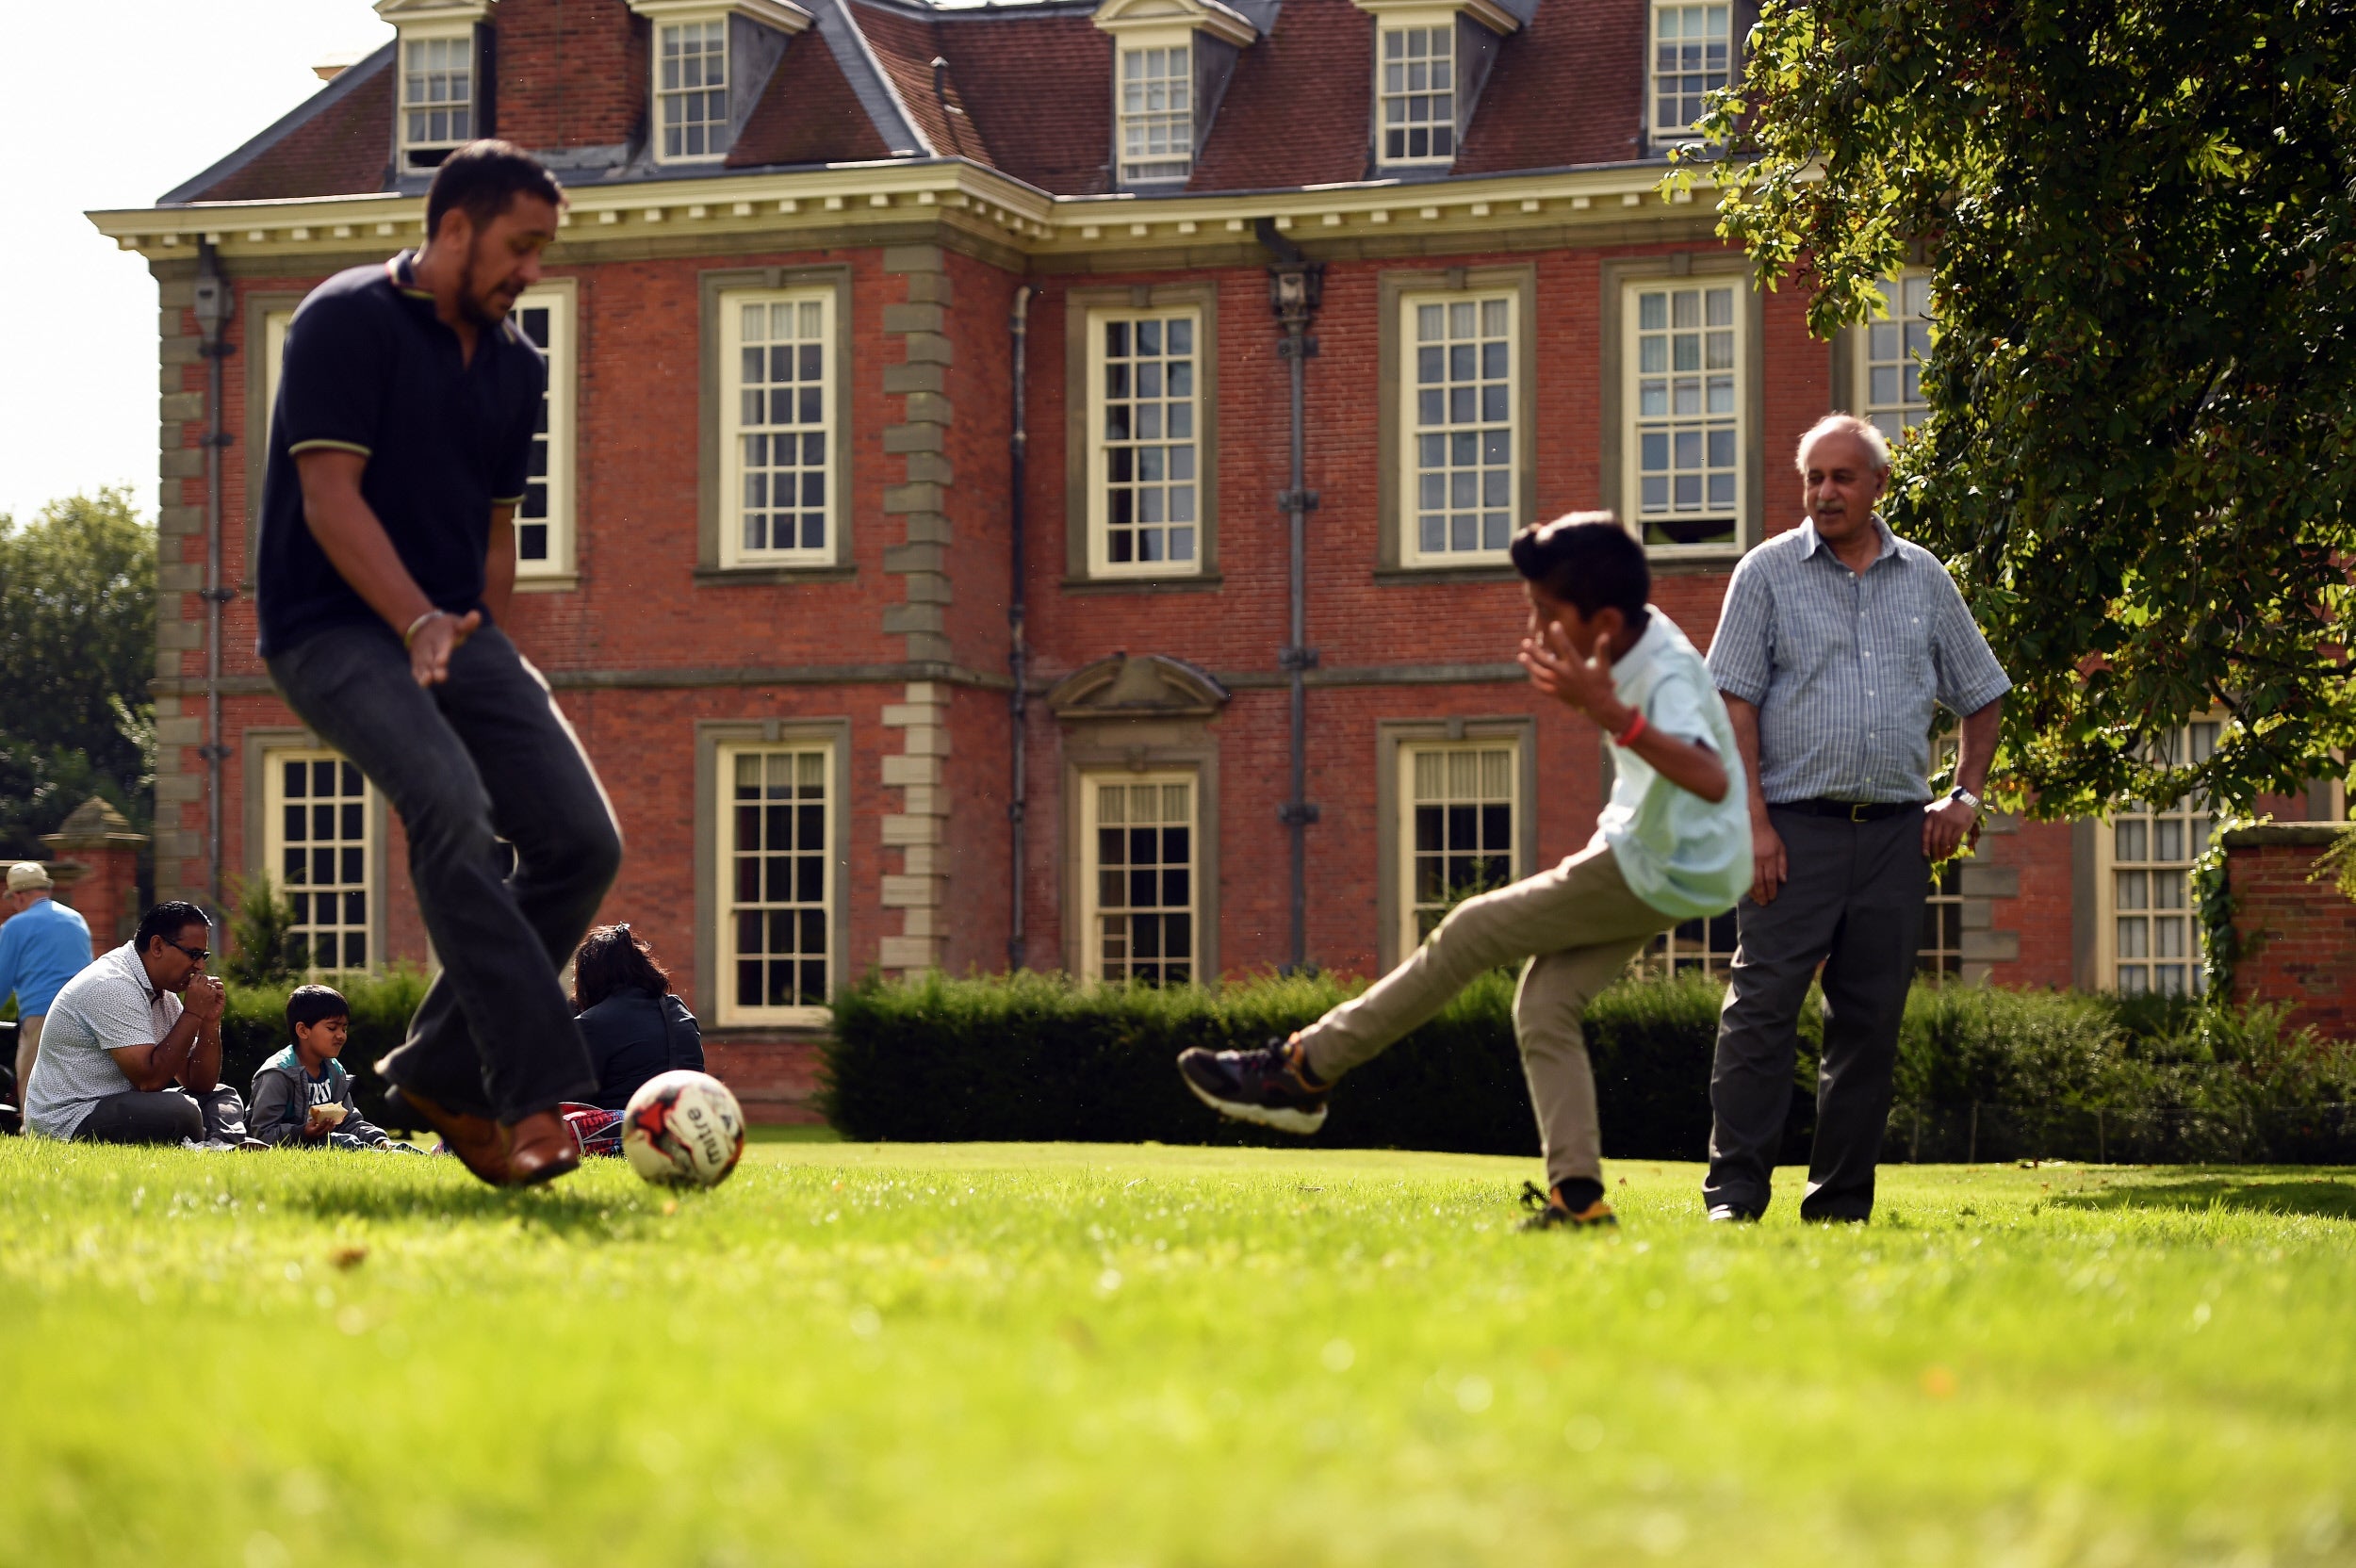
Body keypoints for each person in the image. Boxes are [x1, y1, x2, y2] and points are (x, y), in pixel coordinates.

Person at [1177, 515, 1751, 1228]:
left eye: (1546, 612)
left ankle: (1302, 1069)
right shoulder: (1628, 632)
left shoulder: (1661, 672)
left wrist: (1609, 712)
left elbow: (1711, 776)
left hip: (1665, 863)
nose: (1534, 625)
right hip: (1668, 856)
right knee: (1545, 1007)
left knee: (1469, 932)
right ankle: (1578, 1201)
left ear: (1602, 619)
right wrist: (1599, 704)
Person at [255, 139, 623, 1186]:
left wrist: (474, 642)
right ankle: (530, 1093)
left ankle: (438, 1070)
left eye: (544, 250)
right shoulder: (345, 319)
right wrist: (414, 617)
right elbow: (331, 498)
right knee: (450, 805)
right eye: (520, 246)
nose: (531, 270)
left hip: (455, 633)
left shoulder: (518, 364)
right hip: (328, 630)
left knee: (578, 839)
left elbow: (498, 532)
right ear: (453, 227)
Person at [1701, 414, 2010, 1223]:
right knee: (1761, 1014)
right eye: (1813, 478)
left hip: (1896, 839)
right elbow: (1731, 702)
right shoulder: (1765, 573)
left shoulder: (1925, 578)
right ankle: (1734, 1197)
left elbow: (1983, 692)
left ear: (1878, 485)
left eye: (1842, 477)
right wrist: (1755, 826)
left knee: (1868, 1028)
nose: (1825, 493)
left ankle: (1839, 1205)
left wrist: (1965, 796)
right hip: (1792, 834)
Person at [23, 901, 258, 1147]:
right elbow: (149, 1080)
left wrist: (209, 1022)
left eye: (204, 956)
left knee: (221, 1095)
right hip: (69, 1120)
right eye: (193, 954)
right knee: (180, 1110)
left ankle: (222, 1147)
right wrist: (193, 1014)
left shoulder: (161, 992)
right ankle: (214, 1147)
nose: (200, 965)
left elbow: (199, 1083)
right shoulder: (112, 985)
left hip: (118, 1106)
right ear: (157, 945)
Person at [249, 984, 411, 1151]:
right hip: (309, 1147)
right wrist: (303, 1133)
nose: (341, 1035)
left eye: (344, 1028)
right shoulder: (279, 1073)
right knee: (345, 1144)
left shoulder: (334, 1070)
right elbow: (262, 1134)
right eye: (332, 1028)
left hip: (335, 1141)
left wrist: (377, 1139)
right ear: (303, 1030)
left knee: (398, 1149)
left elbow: (348, 1121)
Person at [572, 924, 703, 1109]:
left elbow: (574, 1102)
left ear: (589, 978)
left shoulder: (590, 1024)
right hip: (688, 1127)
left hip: (624, 1133)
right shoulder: (677, 1009)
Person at [0, 861, 92, 1115]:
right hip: (85, 1015)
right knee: (76, 1083)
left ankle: (31, 1133)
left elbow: (1, 981)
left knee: (32, 1081)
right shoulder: (76, 919)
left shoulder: (15, 927)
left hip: (41, 1013)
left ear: (18, 895)